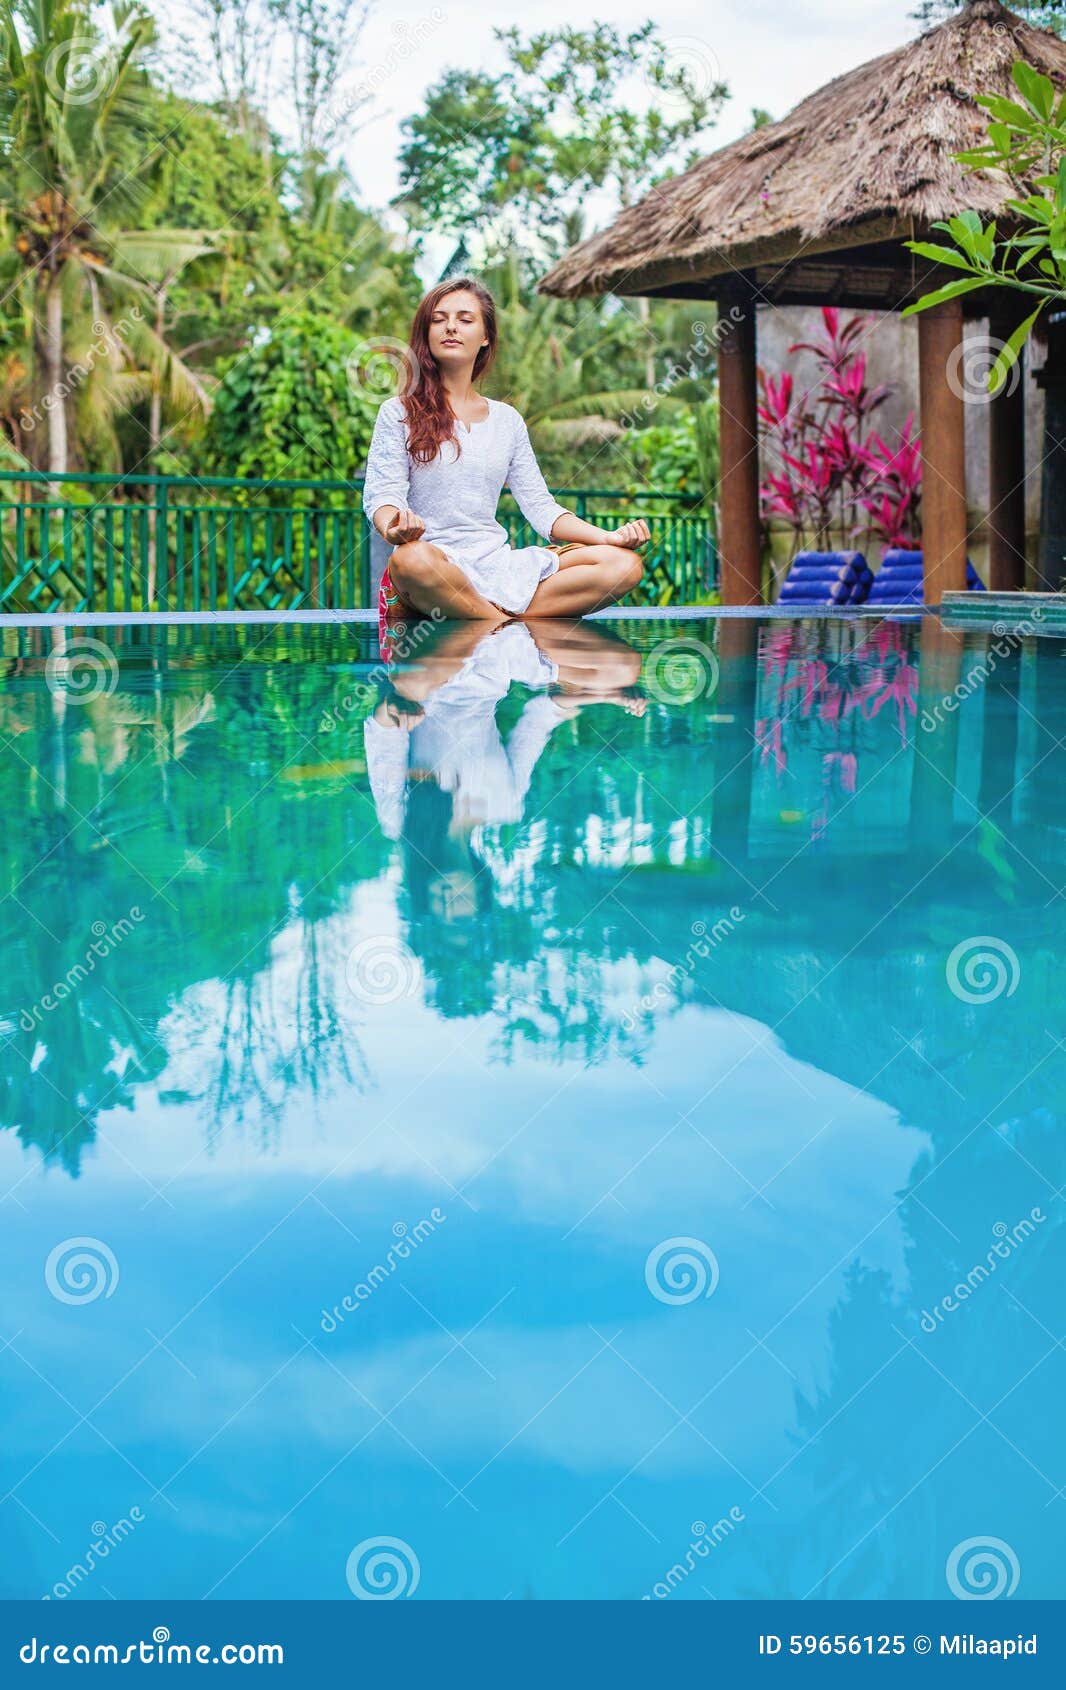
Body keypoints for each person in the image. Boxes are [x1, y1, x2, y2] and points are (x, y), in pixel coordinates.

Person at [361, 276, 650, 622]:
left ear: (485, 337)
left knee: (624, 565)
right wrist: (393, 527)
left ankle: (487, 619)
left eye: (465, 319)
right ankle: (505, 626)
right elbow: (382, 495)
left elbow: (542, 508)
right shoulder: (398, 411)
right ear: (426, 333)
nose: (451, 327)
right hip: (434, 570)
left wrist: (609, 537)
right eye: (439, 319)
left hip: (497, 566)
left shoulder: (507, 420)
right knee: (410, 559)